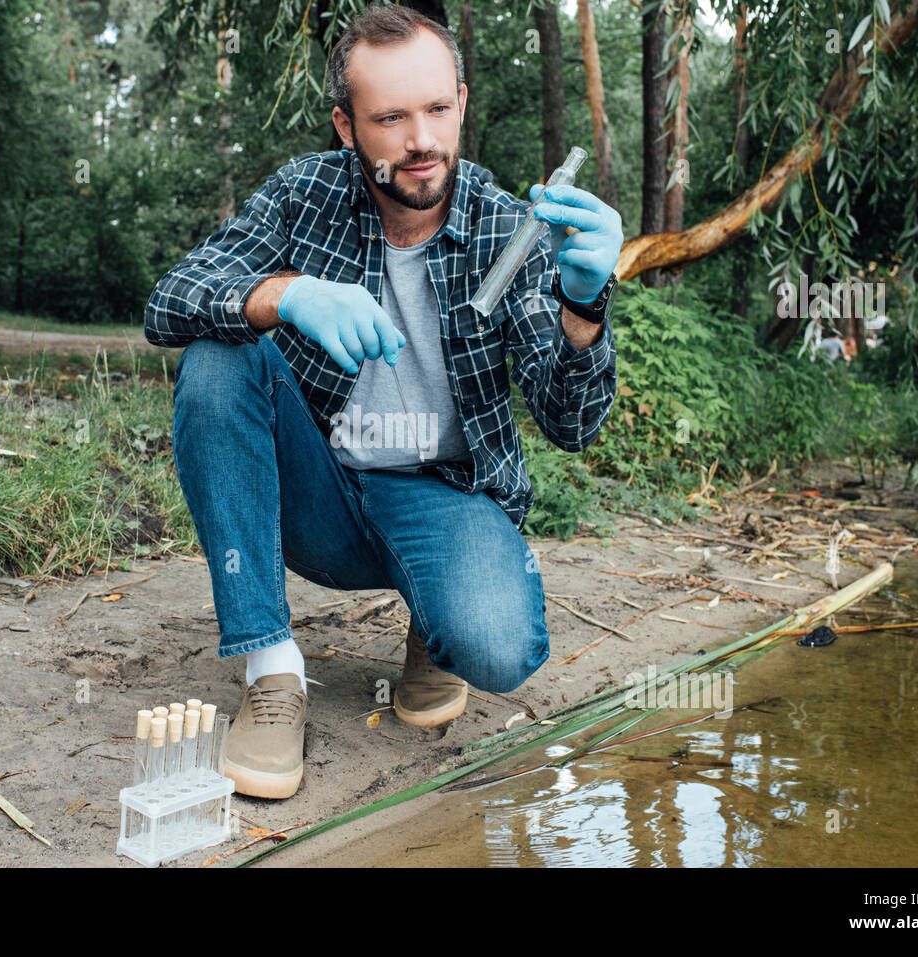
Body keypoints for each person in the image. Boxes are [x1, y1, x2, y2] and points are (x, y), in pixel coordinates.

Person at [144, 3, 623, 799]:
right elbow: (172, 299)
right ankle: (273, 668)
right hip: (321, 490)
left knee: (499, 648)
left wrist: (583, 305)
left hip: (444, 497)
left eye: (437, 109)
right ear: (346, 125)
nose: (421, 141)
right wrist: (285, 294)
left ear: (462, 104)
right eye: (390, 117)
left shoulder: (511, 228)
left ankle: (434, 628)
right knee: (216, 361)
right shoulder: (305, 195)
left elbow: (572, 425)